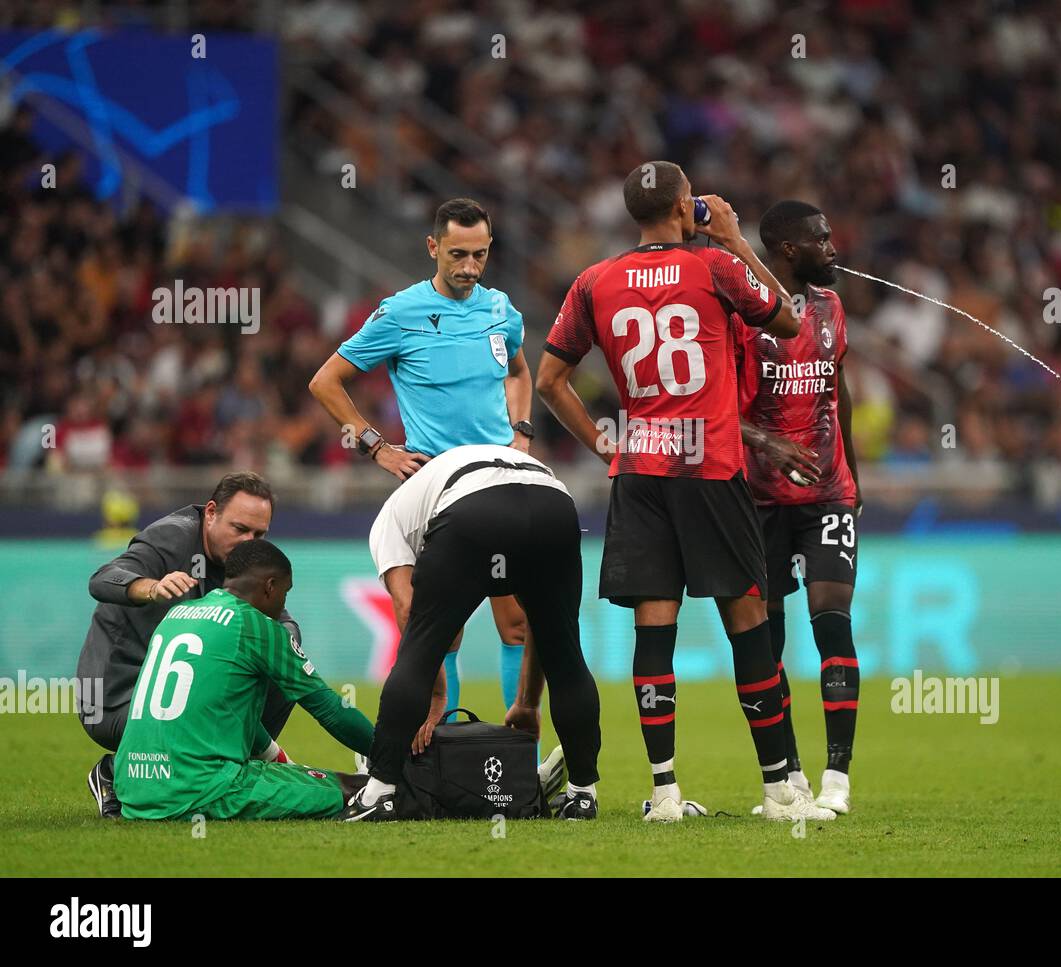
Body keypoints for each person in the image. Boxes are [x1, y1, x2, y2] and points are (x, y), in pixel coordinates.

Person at [536, 160, 834, 822]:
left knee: (654, 624)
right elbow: (788, 324)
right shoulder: (713, 266)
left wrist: (603, 442)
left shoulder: (594, 280)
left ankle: (664, 793)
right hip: (709, 469)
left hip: (640, 471)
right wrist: (732, 238)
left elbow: (549, 380)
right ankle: (779, 789)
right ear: (682, 208)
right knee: (747, 620)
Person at [309, 198, 535, 727]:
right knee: (445, 629)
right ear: (432, 247)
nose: (469, 267)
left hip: (501, 479)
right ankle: (450, 737)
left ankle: (513, 747)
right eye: (458, 254)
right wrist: (375, 446)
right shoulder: (400, 312)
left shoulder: (501, 310)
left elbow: (520, 372)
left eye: (480, 255)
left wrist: (521, 433)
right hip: (438, 488)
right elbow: (325, 381)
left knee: (518, 624)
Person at [341, 444, 602, 821]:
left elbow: (409, 609)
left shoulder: (387, 523)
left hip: (474, 510)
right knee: (565, 653)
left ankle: (379, 793)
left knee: (419, 649)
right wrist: (527, 703)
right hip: (554, 503)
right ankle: (582, 795)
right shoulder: (439, 486)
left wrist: (437, 694)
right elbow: (538, 627)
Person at [735, 200, 862, 815]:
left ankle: (838, 777)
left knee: (831, 620)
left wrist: (854, 485)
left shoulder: (832, 308)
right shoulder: (746, 319)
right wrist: (767, 443)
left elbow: (840, 399)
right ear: (789, 249)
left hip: (827, 494)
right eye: (822, 238)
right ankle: (790, 779)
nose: (833, 248)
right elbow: (718, 414)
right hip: (759, 500)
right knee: (768, 641)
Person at [79, 472, 302, 818]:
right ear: (210, 513)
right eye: (240, 529)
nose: (249, 542)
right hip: (113, 700)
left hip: (173, 698)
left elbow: (283, 621)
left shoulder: (245, 564)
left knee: (283, 656)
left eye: (259, 534)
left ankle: (233, 764)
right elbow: (102, 580)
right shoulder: (171, 538)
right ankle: (115, 771)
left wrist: (282, 641)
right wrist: (150, 588)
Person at [115, 539, 373, 820]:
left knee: (298, 774)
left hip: (133, 790)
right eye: (284, 594)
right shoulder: (255, 625)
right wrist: (389, 754)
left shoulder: (176, 614)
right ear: (270, 586)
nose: (283, 605)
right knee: (355, 789)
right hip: (199, 790)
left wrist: (278, 760)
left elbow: (221, 707)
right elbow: (331, 709)